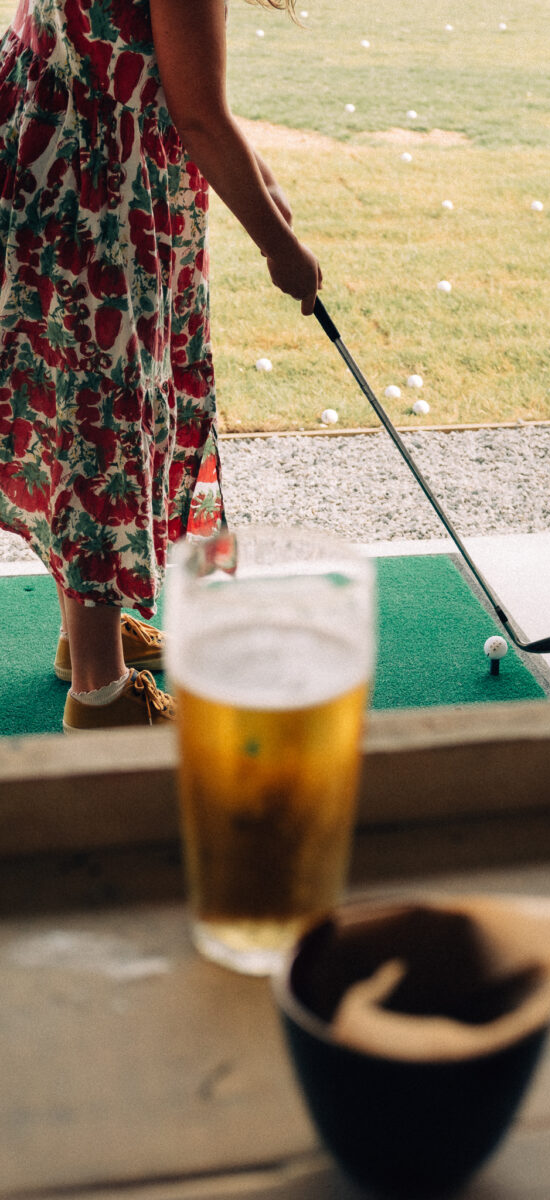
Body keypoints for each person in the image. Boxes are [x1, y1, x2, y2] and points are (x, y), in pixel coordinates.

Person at [0, 0, 321, 730]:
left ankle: (92, 637)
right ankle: (102, 693)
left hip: (47, 147)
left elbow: (139, 65)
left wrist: (255, 171)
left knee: (80, 409)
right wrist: (282, 252)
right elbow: (199, 116)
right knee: (103, 424)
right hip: (94, 191)